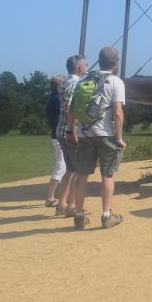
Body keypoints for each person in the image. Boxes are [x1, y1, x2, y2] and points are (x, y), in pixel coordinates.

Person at [69, 46, 126, 230]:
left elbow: (71, 109)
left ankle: (79, 215)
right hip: (106, 135)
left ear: (99, 61)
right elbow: (117, 113)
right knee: (107, 175)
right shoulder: (116, 82)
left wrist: (71, 131)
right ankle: (106, 215)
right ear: (115, 63)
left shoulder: (83, 80)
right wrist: (120, 138)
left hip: (84, 133)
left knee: (81, 175)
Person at [54, 55, 87, 217]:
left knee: (70, 169)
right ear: (80, 68)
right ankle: (72, 205)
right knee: (78, 170)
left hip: (60, 130)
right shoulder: (76, 84)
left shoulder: (63, 83)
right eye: (85, 65)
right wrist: (72, 131)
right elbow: (70, 108)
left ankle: (61, 204)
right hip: (70, 131)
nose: (86, 67)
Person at [44, 74, 66, 208]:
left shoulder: (53, 98)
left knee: (64, 166)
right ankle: (50, 197)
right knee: (61, 166)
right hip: (59, 136)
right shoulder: (58, 99)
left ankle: (61, 196)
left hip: (56, 135)